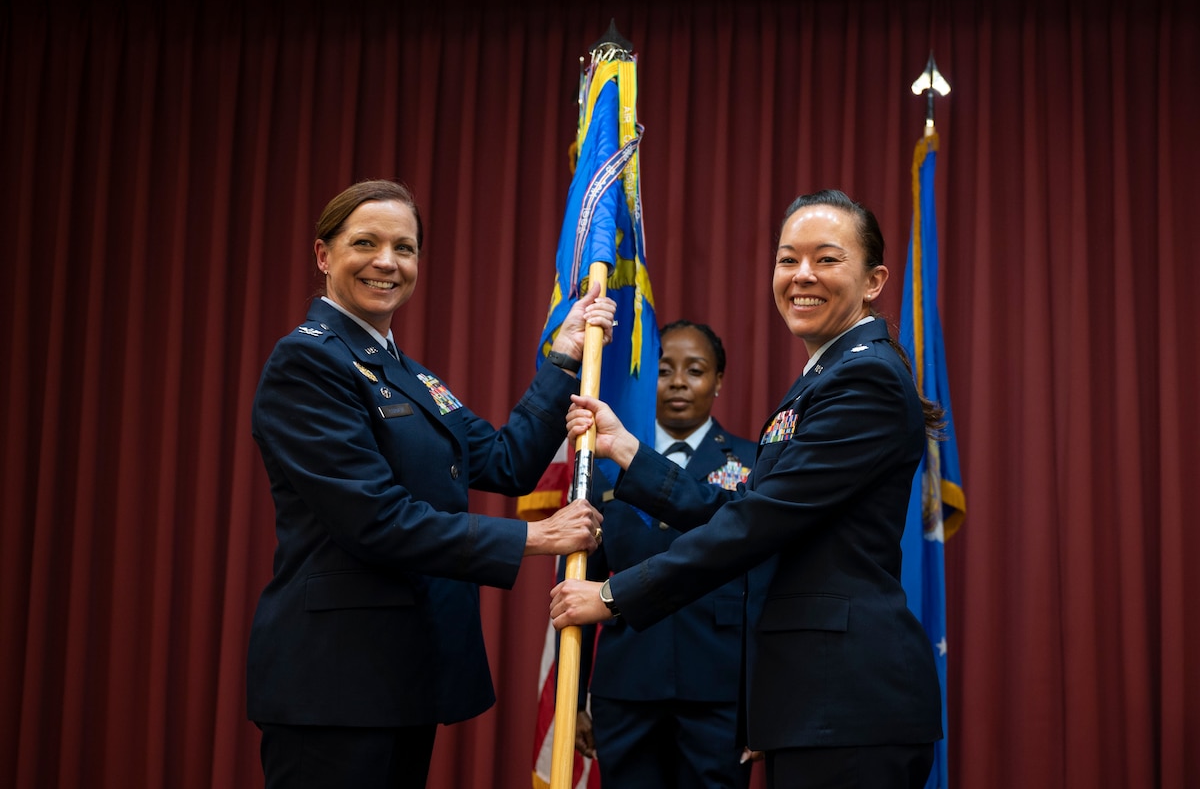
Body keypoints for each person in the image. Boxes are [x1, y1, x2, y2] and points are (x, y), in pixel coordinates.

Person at [550, 189, 944, 789]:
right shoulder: (832, 373)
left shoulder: (863, 376)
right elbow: (744, 510)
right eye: (788, 259)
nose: (801, 275)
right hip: (814, 700)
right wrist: (627, 451)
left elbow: (755, 524)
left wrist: (613, 597)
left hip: (848, 702)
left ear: (874, 281)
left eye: (827, 259)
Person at [247, 179, 612, 789]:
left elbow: (503, 461)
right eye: (366, 243)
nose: (387, 262)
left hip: (403, 675)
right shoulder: (307, 362)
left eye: (405, 247)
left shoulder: (407, 374)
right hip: (335, 682)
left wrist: (564, 357)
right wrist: (534, 539)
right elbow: (374, 519)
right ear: (323, 256)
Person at [573, 320, 767, 789]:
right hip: (627, 686)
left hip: (719, 690)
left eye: (695, 370)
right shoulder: (603, 466)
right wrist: (575, 698)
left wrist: (764, 702)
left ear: (719, 381)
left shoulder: (754, 463)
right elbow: (578, 588)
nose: (678, 381)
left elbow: (767, 590)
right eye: (664, 370)